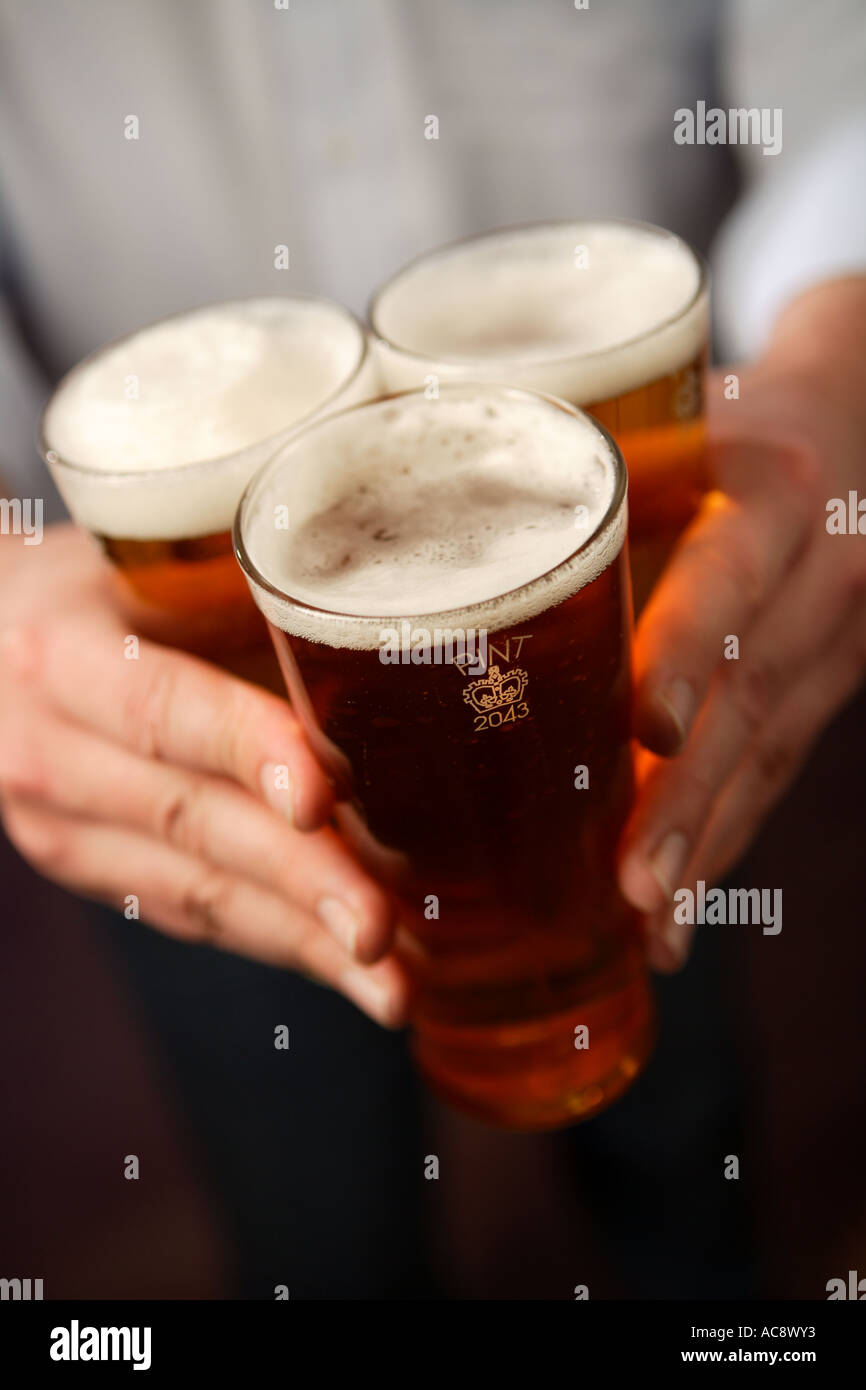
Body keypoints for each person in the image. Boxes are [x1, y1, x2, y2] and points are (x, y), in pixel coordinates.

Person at [1, 0, 864, 1298]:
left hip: (624, 691)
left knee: (668, 1106)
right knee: (317, 1224)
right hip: (137, 720)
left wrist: (847, 344)